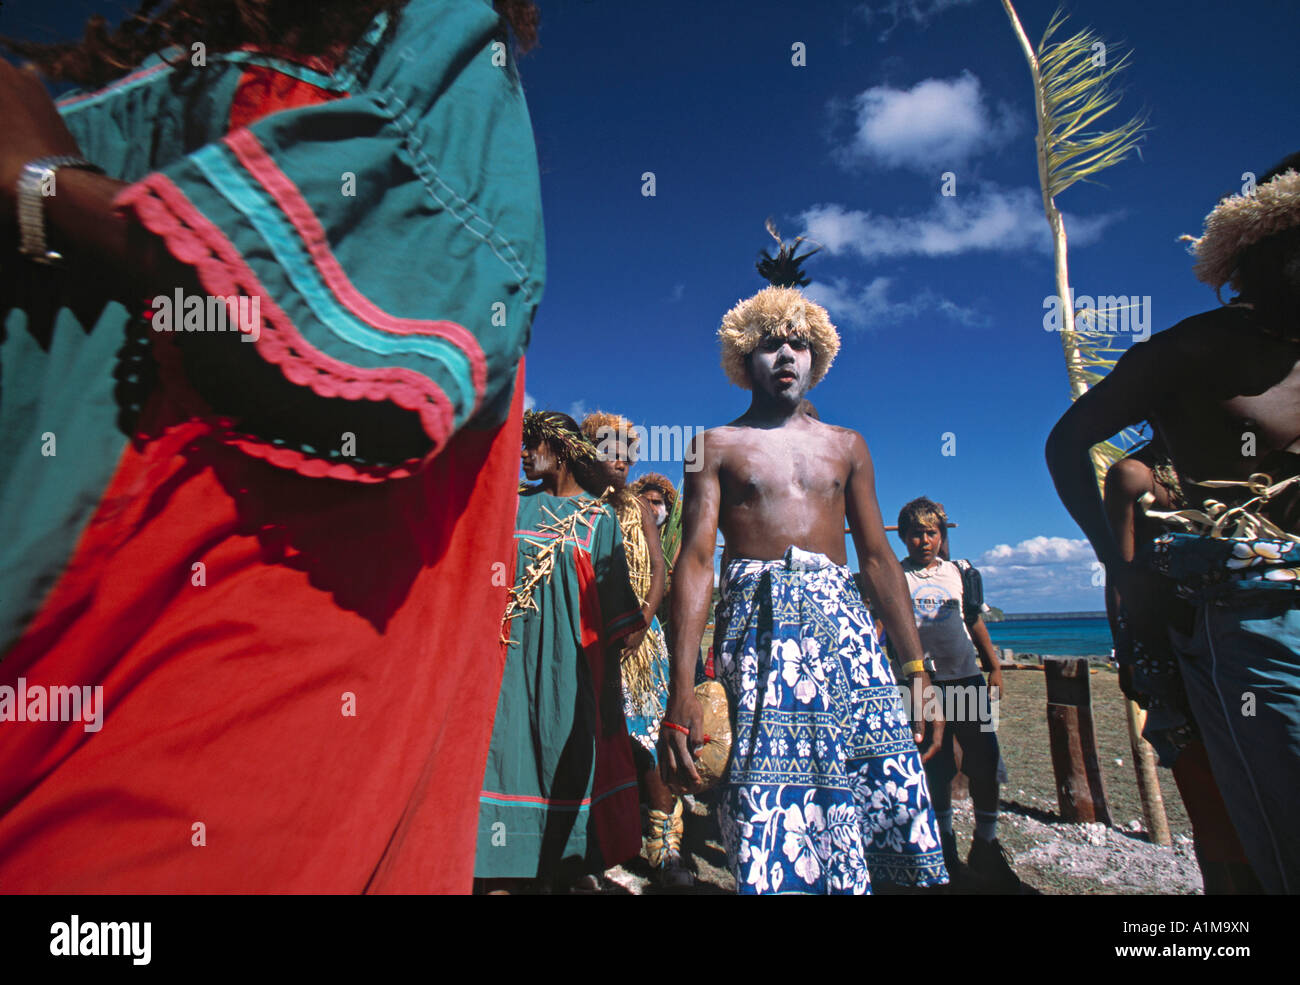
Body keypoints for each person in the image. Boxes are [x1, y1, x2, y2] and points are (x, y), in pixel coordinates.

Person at [0, 0, 543, 893]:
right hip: (57, 599)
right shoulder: (194, 54)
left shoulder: (435, 29)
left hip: (220, 644)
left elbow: (395, 275)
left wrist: (46, 183)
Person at [1046, 153, 1300, 894]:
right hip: (1246, 623)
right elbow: (1067, 442)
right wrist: (1126, 584)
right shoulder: (1195, 351)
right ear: (1267, 252)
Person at [659, 252, 948, 895]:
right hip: (759, 642)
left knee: (877, 799)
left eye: (799, 343)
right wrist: (682, 689)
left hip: (847, 638)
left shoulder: (848, 445)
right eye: (769, 345)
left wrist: (917, 670)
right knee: (772, 807)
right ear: (743, 361)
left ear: (817, 356)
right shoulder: (715, 445)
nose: (785, 355)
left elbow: (876, 560)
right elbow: (698, 561)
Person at [476, 411, 645, 892]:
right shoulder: (510, 507)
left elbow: (620, 623)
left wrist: (608, 701)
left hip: (567, 681)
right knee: (502, 768)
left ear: (562, 448)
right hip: (503, 673)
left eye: (533, 444)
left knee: (560, 774)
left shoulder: (599, 518)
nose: (524, 453)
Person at [1103, 442, 1260, 893]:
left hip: (1259, 645)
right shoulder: (1137, 475)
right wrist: (1130, 650)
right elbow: (1122, 571)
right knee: (1211, 796)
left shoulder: (1261, 457)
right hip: (1178, 653)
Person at [580, 414, 690, 887]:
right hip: (588, 642)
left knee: (647, 740)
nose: (621, 459)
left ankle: (662, 847)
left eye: (627, 451)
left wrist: (642, 621)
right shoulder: (577, 505)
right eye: (610, 449)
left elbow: (660, 570)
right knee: (590, 740)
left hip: (641, 647)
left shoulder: (638, 509)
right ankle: (584, 848)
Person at [896, 497, 1018, 891]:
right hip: (921, 687)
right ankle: (944, 846)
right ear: (903, 537)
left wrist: (994, 665)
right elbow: (883, 627)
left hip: (965, 680)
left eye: (931, 533)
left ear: (942, 535)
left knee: (984, 759)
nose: (924, 541)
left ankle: (986, 843)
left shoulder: (958, 573)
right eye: (916, 533)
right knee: (936, 765)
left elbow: (974, 620)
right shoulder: (896, 577)